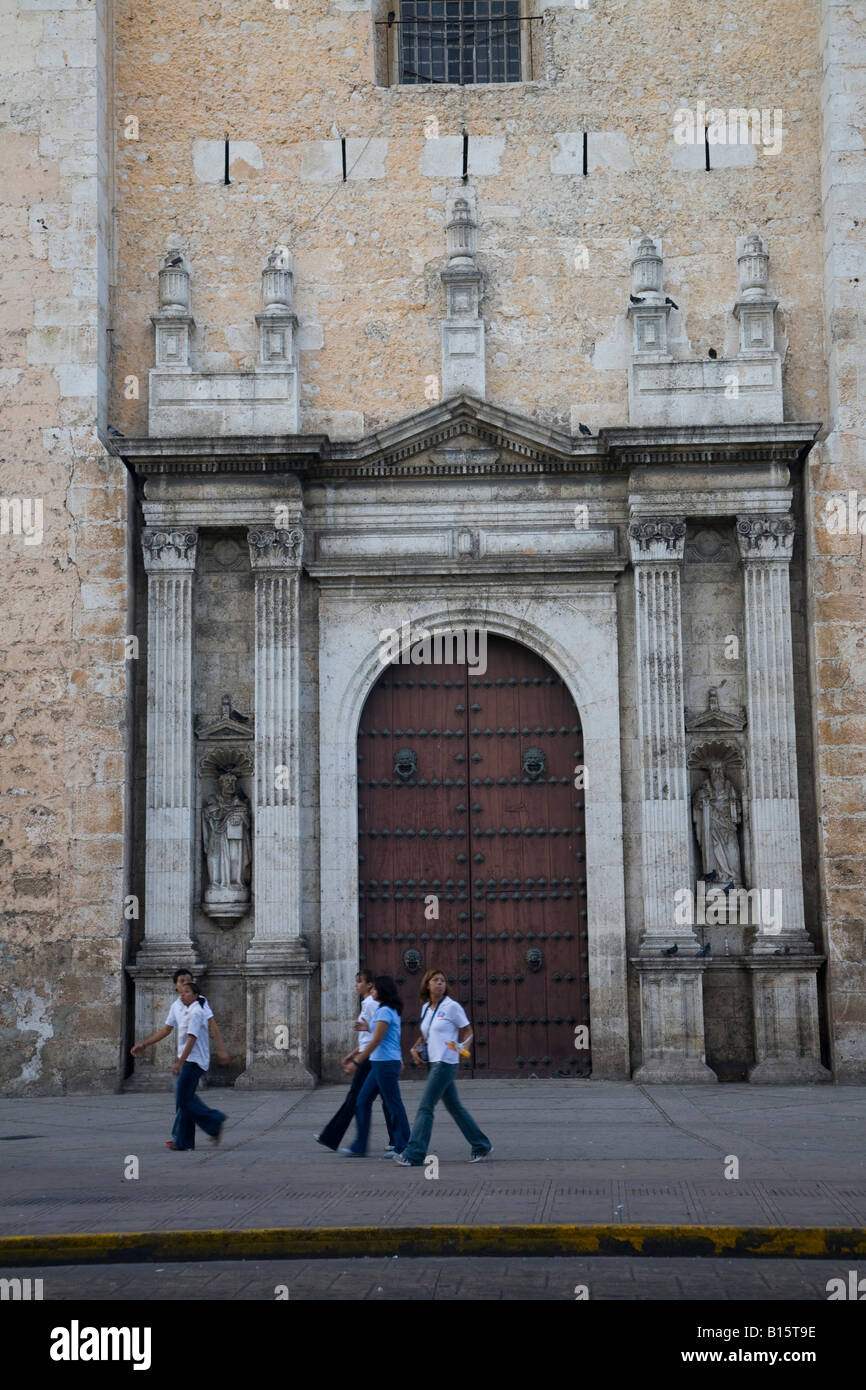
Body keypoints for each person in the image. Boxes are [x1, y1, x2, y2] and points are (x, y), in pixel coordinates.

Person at [394, 968, 492, 1166]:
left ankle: (414, 1154)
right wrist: (414, 1048)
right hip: (433, 1062)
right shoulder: (426, 1008)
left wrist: (464, 1046)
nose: (440, 983)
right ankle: (481, 1144)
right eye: (436, 980)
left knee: (425, 1106)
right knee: (455, 1107)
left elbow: (468, 1030)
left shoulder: (452, 1006)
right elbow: (426, 1034)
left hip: (446, 1062)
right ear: (427, 984)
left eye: (442, 980)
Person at [130, 980, 227, 1150]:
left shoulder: (196, 1011)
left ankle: (215, 1120)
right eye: (181, 991)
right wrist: (144, 1044)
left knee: (183, 1099)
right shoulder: (182, 1008)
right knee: (185, 1100)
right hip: (190, 1060)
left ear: (195, 995)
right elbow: (166, 1030)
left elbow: (192, 1039)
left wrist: (180, 1063)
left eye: (187, 991)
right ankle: (185, 1142)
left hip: (193, 1061)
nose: (183, 994)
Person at [315, 969, 396, 1154]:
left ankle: (335, 1137)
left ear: (370, 984)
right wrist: (352, 1053)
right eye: (356, 981)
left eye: (360, 981)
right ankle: (393, 1140)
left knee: (360, 1098)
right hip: (369, 1055)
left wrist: (357, 1059)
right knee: (382, 1099)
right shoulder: (367, 1004)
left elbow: (378, 1034)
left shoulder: (372, 1005)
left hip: (371, 1058)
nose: (356, 985)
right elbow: (368, 1036)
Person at [339, 976, 410, 1158]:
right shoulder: (384, 1010)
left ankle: (404, 1146)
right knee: (362, 1101)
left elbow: (377, 1039)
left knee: (393, 1104)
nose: (371, 992)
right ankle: (360, 1145)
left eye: (374, 989)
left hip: (385, 1063)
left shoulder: (385, 1010)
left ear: (382, 991)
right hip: (380, 1063)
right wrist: (366, 1027)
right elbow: (380, 1032)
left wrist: (356, 1061)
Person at [172, 968, 229, 1066]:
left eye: (189, 981)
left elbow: (211, 1024)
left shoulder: (200, 1002)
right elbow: (166, 1029)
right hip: (185, 1057)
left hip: (196, 1058)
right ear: (175, 986)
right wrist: (146, 1043)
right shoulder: (175, 1006)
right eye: (182, 981)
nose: (186, 984)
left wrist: (221, 1049)